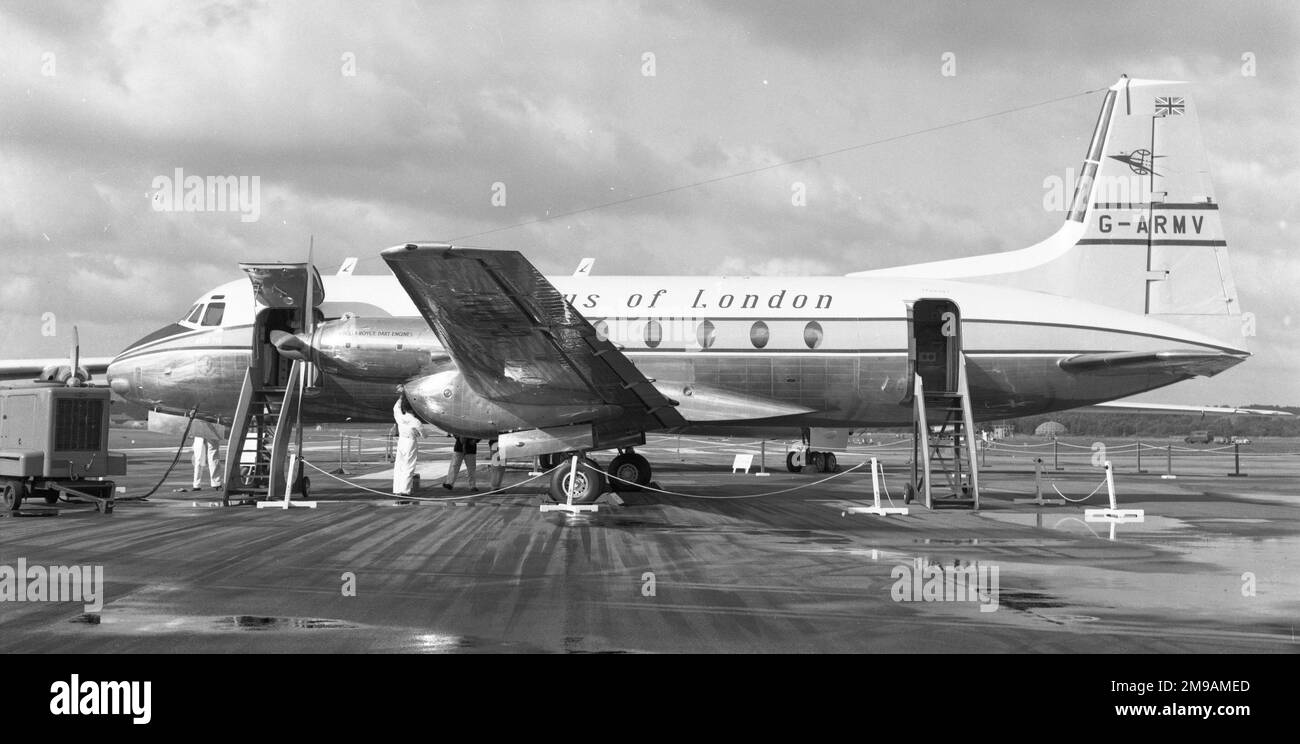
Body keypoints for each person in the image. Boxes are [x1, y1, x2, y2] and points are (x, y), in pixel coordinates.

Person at [392, 386, 423, 498]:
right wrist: (418, 433)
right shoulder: (416, 421)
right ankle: (405, 490)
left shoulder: (400, 417)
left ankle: (397, 489)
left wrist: (402, 396)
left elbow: (396, 408)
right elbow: (425, 436)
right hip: (410, 442)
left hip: (401, 441)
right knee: (409, 466)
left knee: (399, 465)